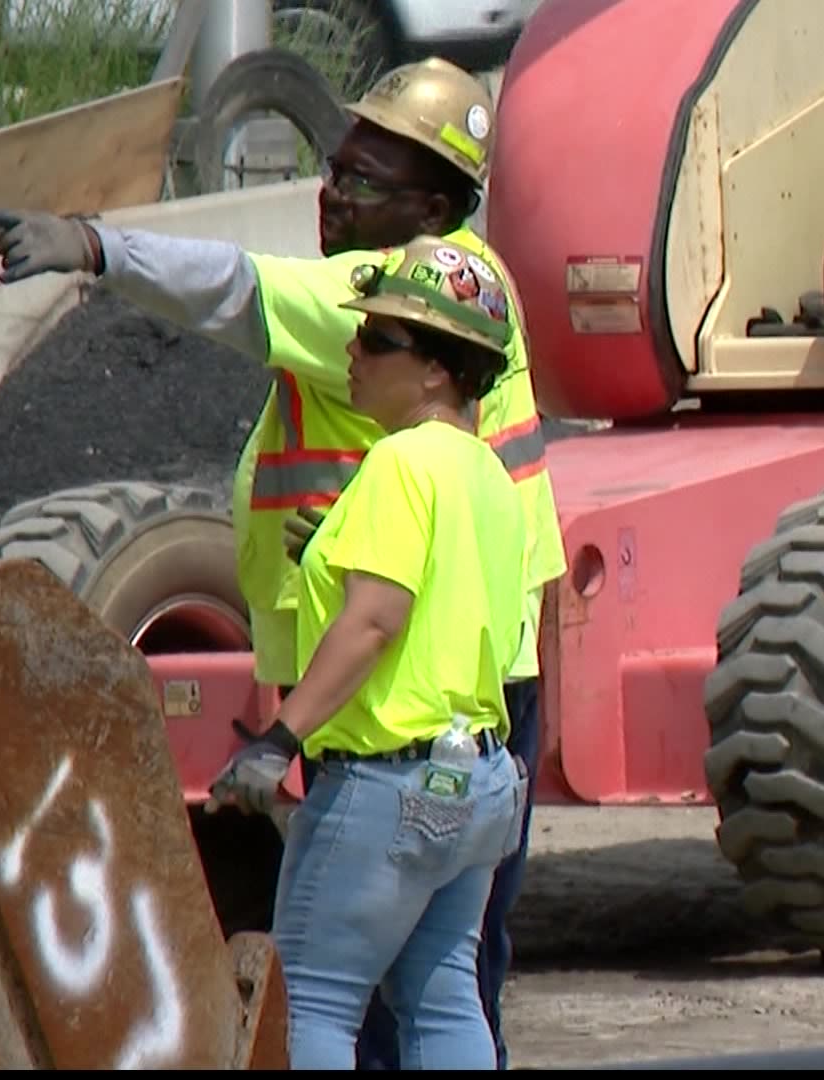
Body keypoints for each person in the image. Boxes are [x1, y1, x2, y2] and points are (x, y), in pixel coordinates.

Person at [0, 55, 566, 1069]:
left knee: (329, 1001)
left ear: (432, 210)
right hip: (477, 719)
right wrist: (336, 548)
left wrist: (93, 245)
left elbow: (234, 288)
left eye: (365, 180)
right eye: (333, 169)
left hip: (385, 720)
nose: (333, 194)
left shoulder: (391, 308)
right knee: (447, 991)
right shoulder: (476, 307)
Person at [205, 235, 529, 1069]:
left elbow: (376, 621)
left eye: (378, 339)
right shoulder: (491, 479)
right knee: (443, 994)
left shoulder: (398, 465)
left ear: (437, 372)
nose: (353, 351)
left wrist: (280, 741)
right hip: (477, 780)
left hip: (390, 784)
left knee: (311, 1000)